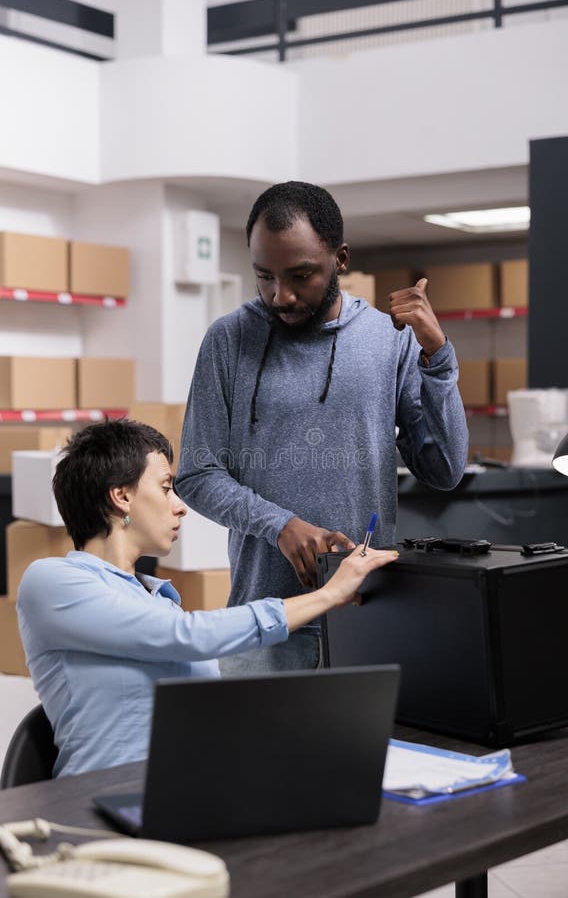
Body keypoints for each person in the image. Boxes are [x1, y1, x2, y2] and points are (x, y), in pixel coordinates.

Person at [175, 180, 469, 675]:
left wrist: (437, 356)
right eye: (263, 276)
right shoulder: (228, 340)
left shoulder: (386, 339)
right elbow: (197, 474)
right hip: (263, 625)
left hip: (367, 619)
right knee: (256, 756)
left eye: (301, 276)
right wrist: (280, 526)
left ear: (341, 259)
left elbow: (444, 468)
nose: (280, 295)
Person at [17, 418, 398, 777]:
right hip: (97, 802)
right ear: (121, 496)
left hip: (183, 791)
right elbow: (188, 636)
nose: (181, 505)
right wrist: (329, 594)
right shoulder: (52, 582)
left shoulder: (154, 598)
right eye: (166, 488)